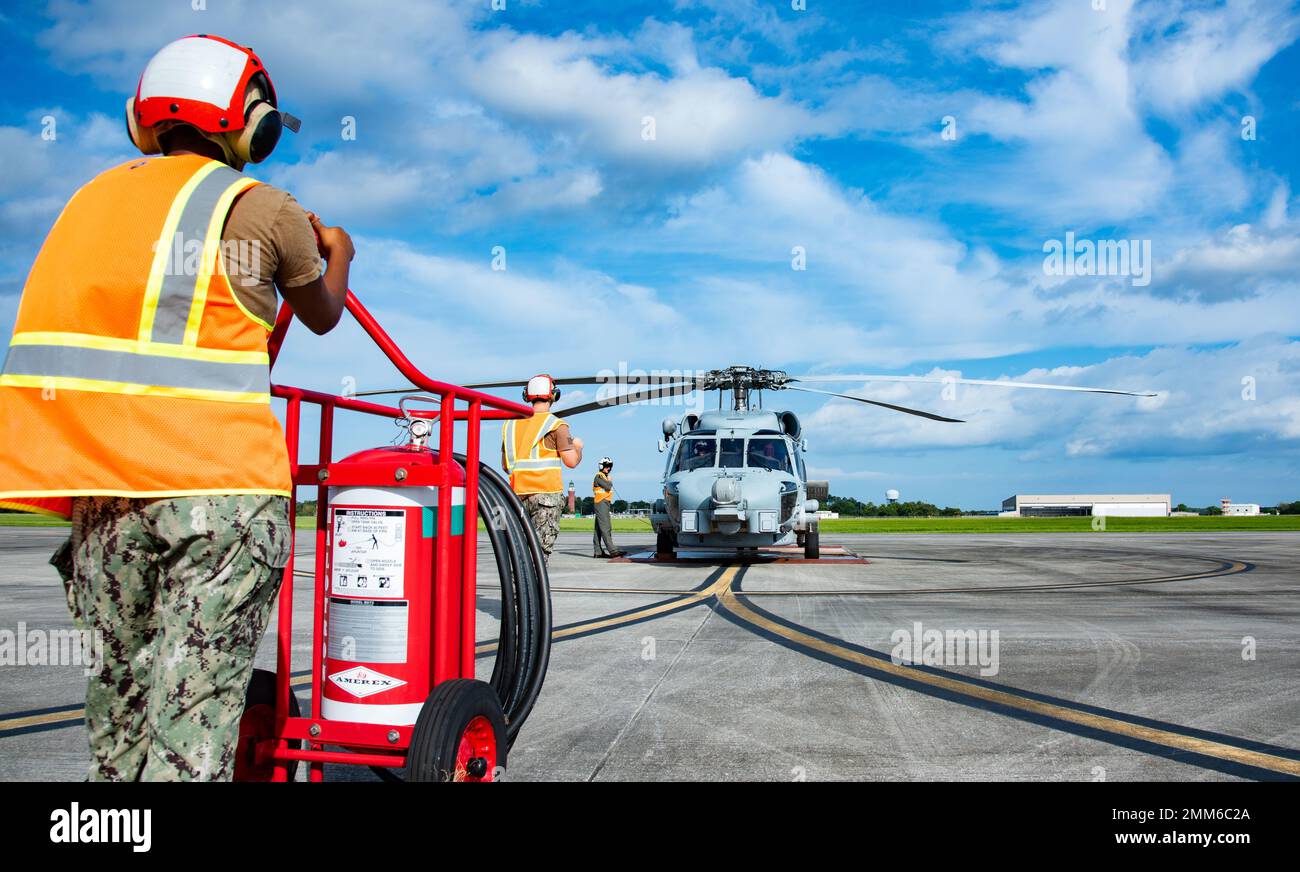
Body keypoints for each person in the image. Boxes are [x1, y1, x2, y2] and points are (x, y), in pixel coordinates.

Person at [0, 35, 353, 780]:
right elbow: (321, 313)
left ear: (145, 120)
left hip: (106, 497)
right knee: (191, 721)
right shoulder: (264, 208)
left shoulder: (86, 203)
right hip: (219, 498)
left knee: (122, 707)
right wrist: (338, 252)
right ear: (247, 123)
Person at [502, 374, 582, 562]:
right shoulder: (557, 425)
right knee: (539, 555)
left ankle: (517, 590)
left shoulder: (510, 425)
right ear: (554, 395)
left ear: (526, 396)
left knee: (518, 551)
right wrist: (578, 447)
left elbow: (506, 466)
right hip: (546, 496)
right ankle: (536, 591)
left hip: (516, 496)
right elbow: (571, 461)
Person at [592, 457, 622, 558]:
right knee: (606, 527)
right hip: (601, 503)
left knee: (598, 529)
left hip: (603, 503)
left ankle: (598, 552)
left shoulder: (603, 476)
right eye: (606, 466)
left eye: (610, 467)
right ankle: (613, 550)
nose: (608, 468)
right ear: (601, 467)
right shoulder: (599, 476)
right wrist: (609, 481)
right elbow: (608, 487)